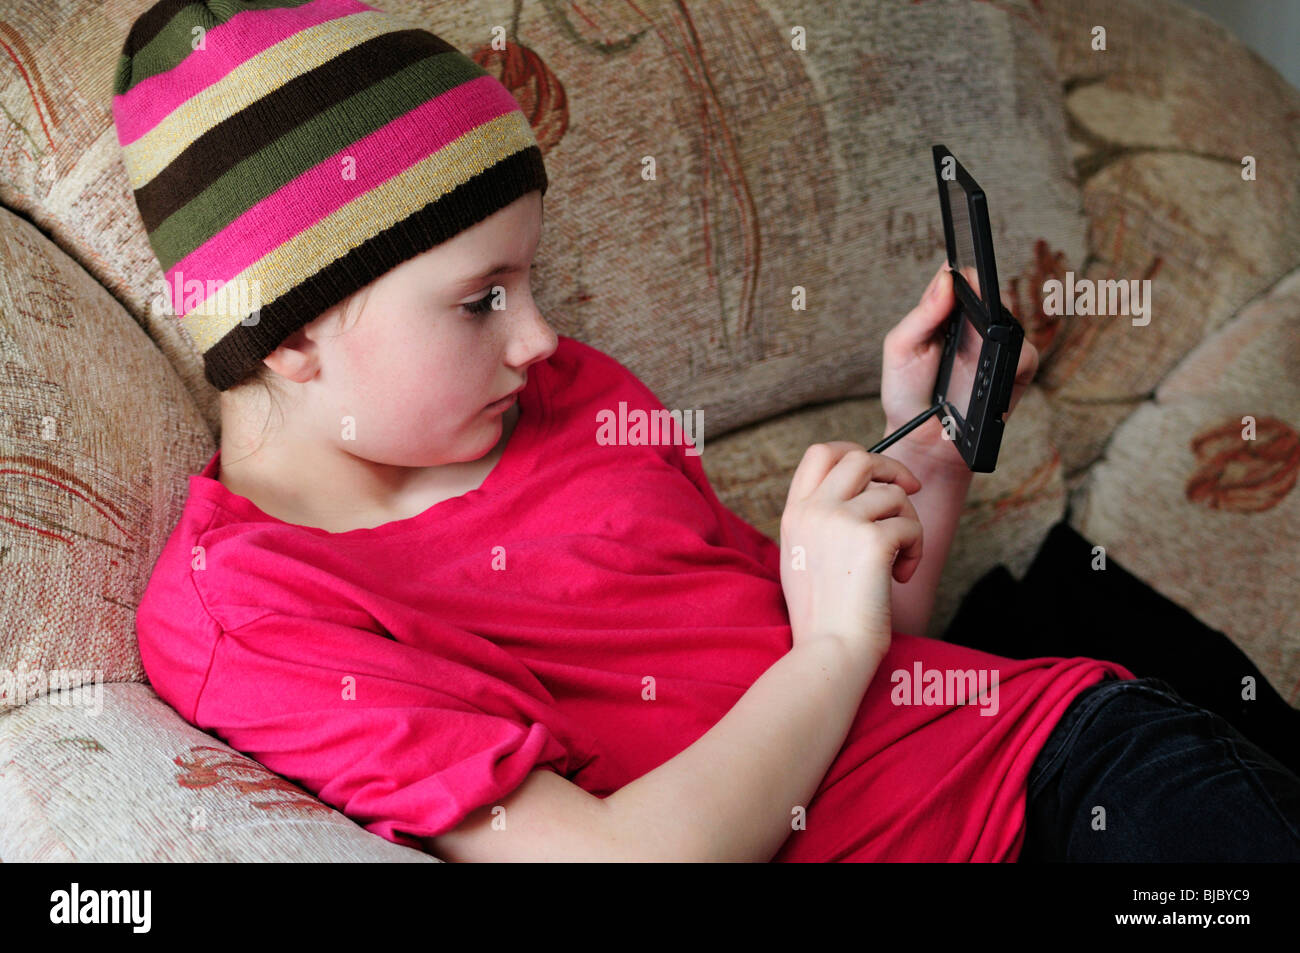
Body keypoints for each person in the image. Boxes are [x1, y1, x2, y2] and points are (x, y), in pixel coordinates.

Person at [121, 0, 1300, 862]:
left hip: (1074, 769)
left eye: (530, 280)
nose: (539, 337)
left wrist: (919, 452)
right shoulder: (252, 611)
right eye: (482, 298)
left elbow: (867, 659)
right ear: (287, 329)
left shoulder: (576, 399)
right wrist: (828, 649)